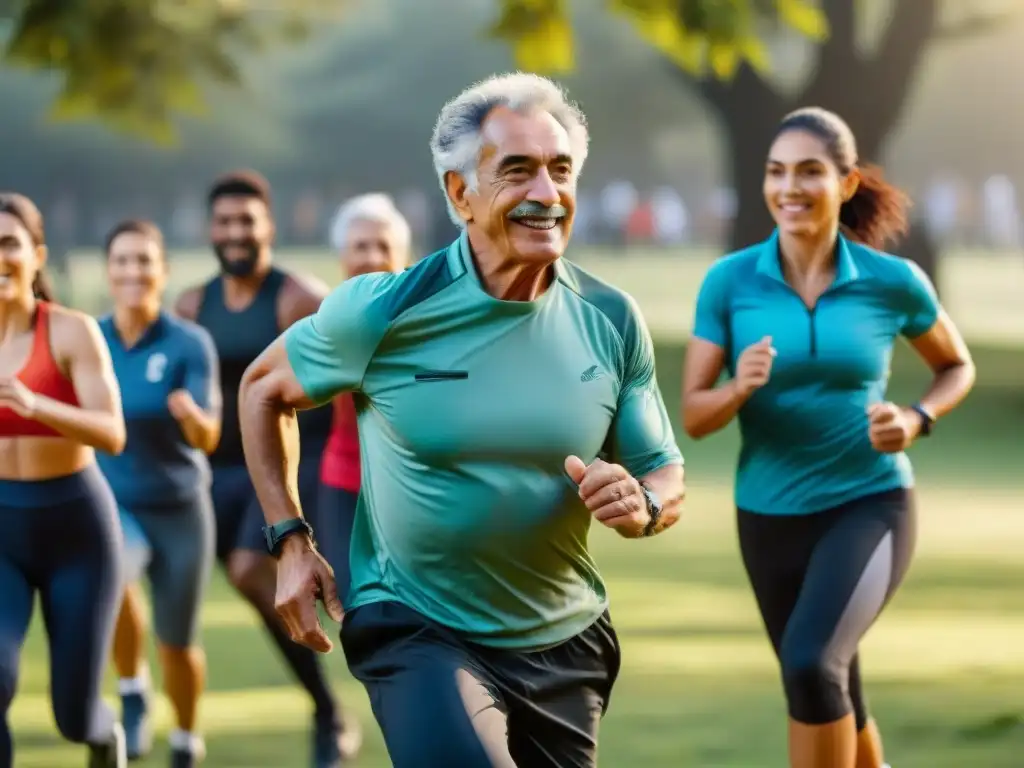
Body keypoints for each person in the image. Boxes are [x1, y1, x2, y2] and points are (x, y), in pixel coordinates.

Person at [238, 72, 687, 768]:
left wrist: (646, 501)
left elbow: (664, 467)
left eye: (560, 171)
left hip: (565, 641)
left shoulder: (612, 318)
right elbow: (262, 388)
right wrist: (290, 540)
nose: (546, 194)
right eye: (517, 172)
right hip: (417, 627)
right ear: (459, 194)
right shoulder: (384, 310)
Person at [681, 107, 976, 768]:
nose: (790, 187)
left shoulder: (891, 282)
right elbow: (696, 416)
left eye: (810, 172)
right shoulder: (729, 283)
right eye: (777, 172)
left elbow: (956, 366)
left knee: (813, 666)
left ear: (845, 184)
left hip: (868, 503)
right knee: (833, 685)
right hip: (767, 515)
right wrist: (738, 387)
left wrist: (916, 418)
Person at [174, 171, 356, 767]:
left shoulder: (298, 298)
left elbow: (345, 383)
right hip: (215, 472)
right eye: (224, 222)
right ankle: (323, 705)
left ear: (269, 228)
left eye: (246, 222)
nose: (235, 233)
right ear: (210, 230)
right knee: (240, 578)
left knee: (254, 568)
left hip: (286, 462)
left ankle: (328, 710)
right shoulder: (192, 305)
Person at [0, 193, 128, 768]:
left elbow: (111, 432)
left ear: (36, 255)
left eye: (8, 243)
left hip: (74, 529)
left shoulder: (72, 332)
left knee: (72, 715)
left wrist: (35, 405)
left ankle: (103, 734)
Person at [96, 220, 219, 767]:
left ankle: (187, 738)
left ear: (162, 271)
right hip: (111, 502)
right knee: (115, 583)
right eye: (122, 260)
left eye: (144, 260)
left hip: (179, 507)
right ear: (108, 270)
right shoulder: (90, 338)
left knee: (177, 643)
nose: (132, 271)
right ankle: (130, 690)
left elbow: (208, 435)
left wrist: (192, 418)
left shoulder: (188, 342)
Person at [317, 193, 411, 594]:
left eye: (383, 247)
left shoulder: (431, 322)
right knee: (356, 605)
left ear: (404, 257)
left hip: (414, 491)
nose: (372, 257)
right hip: (344, 487)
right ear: (342, 257)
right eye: (360, 246)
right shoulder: (322, 324)